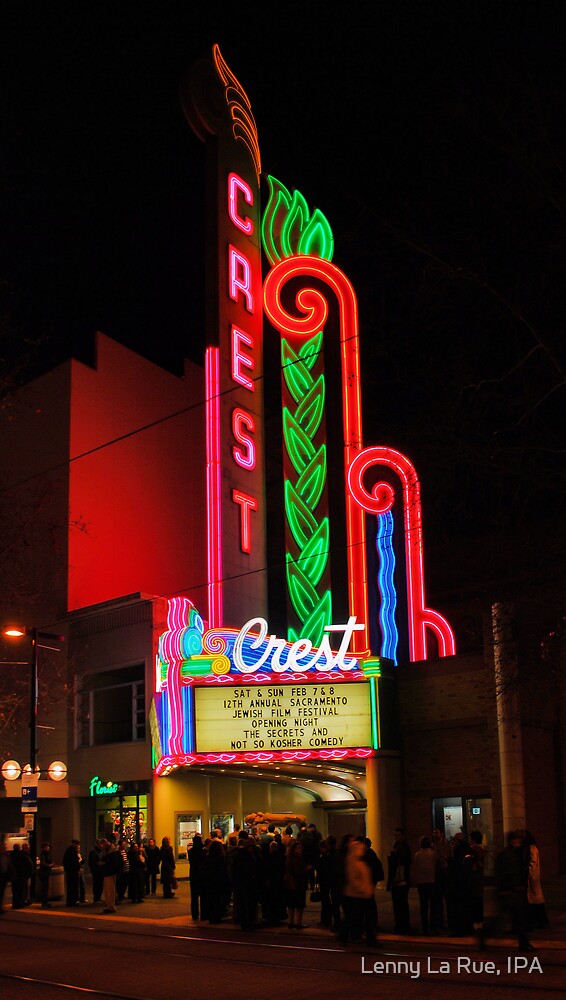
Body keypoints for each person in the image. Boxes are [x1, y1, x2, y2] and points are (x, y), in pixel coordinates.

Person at [491, 829, 533, 951]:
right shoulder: (505, 854)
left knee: (520, 919)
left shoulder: (517, 853)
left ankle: (524, 944)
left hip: (516, 891)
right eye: (516, 839)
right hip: (507, 891)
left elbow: (519, 871)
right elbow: (500, 874)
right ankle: (484, 934)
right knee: (499, 919)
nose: (518, 841)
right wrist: (502, 889)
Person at [339, 836, 378, 947]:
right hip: (357, 895)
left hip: (362, 894)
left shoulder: (359, 861)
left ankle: (348, 936)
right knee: (354, 917)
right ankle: (347, 936)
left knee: (356, 917)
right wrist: (363, 889)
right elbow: (353, 879)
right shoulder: (352, 862)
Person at [230, 830, 263, 931]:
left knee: (245, 903)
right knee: (249, 903)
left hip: (243, 883)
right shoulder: (249, 856)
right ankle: (249, 921)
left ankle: (246, 921)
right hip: (248, 883)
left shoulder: (238, 855)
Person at [386, 828, 412, 934]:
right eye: (395, 835)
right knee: (401, 905)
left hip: (400, 880)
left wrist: (394, 854)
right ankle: (403, 926)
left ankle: (401, 926)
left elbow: (398, 863)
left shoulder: (400, 847)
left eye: (398, 835)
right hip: (401, 881)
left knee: (399, 905)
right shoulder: (403, 847)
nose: (396, 837)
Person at [412, 836, 438, 935]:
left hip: (421, 882)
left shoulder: (417, 855)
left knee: (423, 906)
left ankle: (425, 928)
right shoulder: (433, 854)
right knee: (433, 906)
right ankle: (433, 927)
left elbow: (416, 866)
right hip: (431, 881)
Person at [202, 838, 230, 923]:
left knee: (211, 899)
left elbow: (205, 869)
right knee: (219, 898)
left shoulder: (208, 857)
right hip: (219, 880)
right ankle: (218, 915)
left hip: (210, 881)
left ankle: (211, 916)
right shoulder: (222, 857)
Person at [525, 831, 549, 929]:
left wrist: (528, 872)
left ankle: (539, 920)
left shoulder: (531, 848)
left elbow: (533, 862)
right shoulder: (533, 847)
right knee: (536, 899)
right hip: (534, 877)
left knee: (535, 900)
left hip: (533, 878)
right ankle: (540, 920)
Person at [284, 839, 308, 929]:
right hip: (298, 884)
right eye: (299, 848)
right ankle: (298, 923)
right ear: (294, 849)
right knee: (299, 905)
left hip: (291, 885)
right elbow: (298, 872)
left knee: (291, 905)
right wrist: (306, 869)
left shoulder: (289, 859)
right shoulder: (297, 860)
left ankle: (291, 922)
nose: (300, 849)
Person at [431, 827, 452, 930]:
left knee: (447, 898)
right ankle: (440, 921)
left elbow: (449, 856)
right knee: (438, 900)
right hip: (437, 873)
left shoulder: (446, 844)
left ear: (441, 834)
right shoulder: (432, 845)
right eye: (434, 833)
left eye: (437, 833)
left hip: (445, 872)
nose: (435, 835)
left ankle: (449, 921)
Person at [469, 830, 486, 931]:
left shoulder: (474, 848)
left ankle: (477, 921)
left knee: (475, 900)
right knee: (479, 900)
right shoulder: (482, 848)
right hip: (479, 879)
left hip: (475, 879)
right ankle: (480, 921)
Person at [187, 834, 206, 920]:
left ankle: (194, 915)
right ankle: (203, 914)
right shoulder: (203, 851)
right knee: (203, 896)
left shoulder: (191, 852)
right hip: (202, 874)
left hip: (193, 874)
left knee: (194, 896)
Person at [62, 838, 82, 906]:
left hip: (71, 871)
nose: (78, 846)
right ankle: (73, 901)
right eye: (77, 844)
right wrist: (78, 867)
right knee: (73, 887)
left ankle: (71, 901)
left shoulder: (69, 850)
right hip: (73, 872)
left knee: (71, 887)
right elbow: (74, 862)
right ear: (74, 844)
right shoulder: (72, 851)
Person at [101, 840, 120, 913]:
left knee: (110, 890)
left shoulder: (112, 852)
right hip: (109, 872)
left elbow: (111, 863)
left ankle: (110, 906)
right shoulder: (112, 851)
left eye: (103, 845)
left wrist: (103, 863)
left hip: (109, 873)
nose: (102, 847)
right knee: (109, 890)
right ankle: (110, 905)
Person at [38, 842, 53, 908]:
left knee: (46, 888)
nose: (48, 848)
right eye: (46, 847)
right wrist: (49, 865)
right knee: (44, 888)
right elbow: (43, 863)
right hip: (44, 873)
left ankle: (45, 902)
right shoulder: (43, 854)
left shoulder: (46, 854)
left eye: (48, 847)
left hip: (46, 872)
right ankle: (44, 903)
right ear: (43, 847)